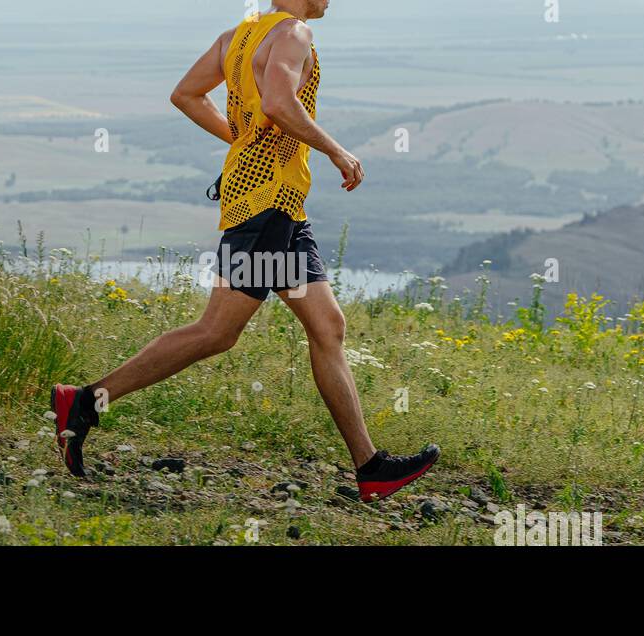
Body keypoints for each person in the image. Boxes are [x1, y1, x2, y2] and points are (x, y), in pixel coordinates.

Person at [51, 0, 438, 502]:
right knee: (215, 332)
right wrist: (335, 150)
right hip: (266, 209)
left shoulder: (237, 36)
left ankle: (371, 468)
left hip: (280, 210)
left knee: (328, 327)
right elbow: (278, 102)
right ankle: (85, 401)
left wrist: (240, 138)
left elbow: (187, 95)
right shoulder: (294, 33)